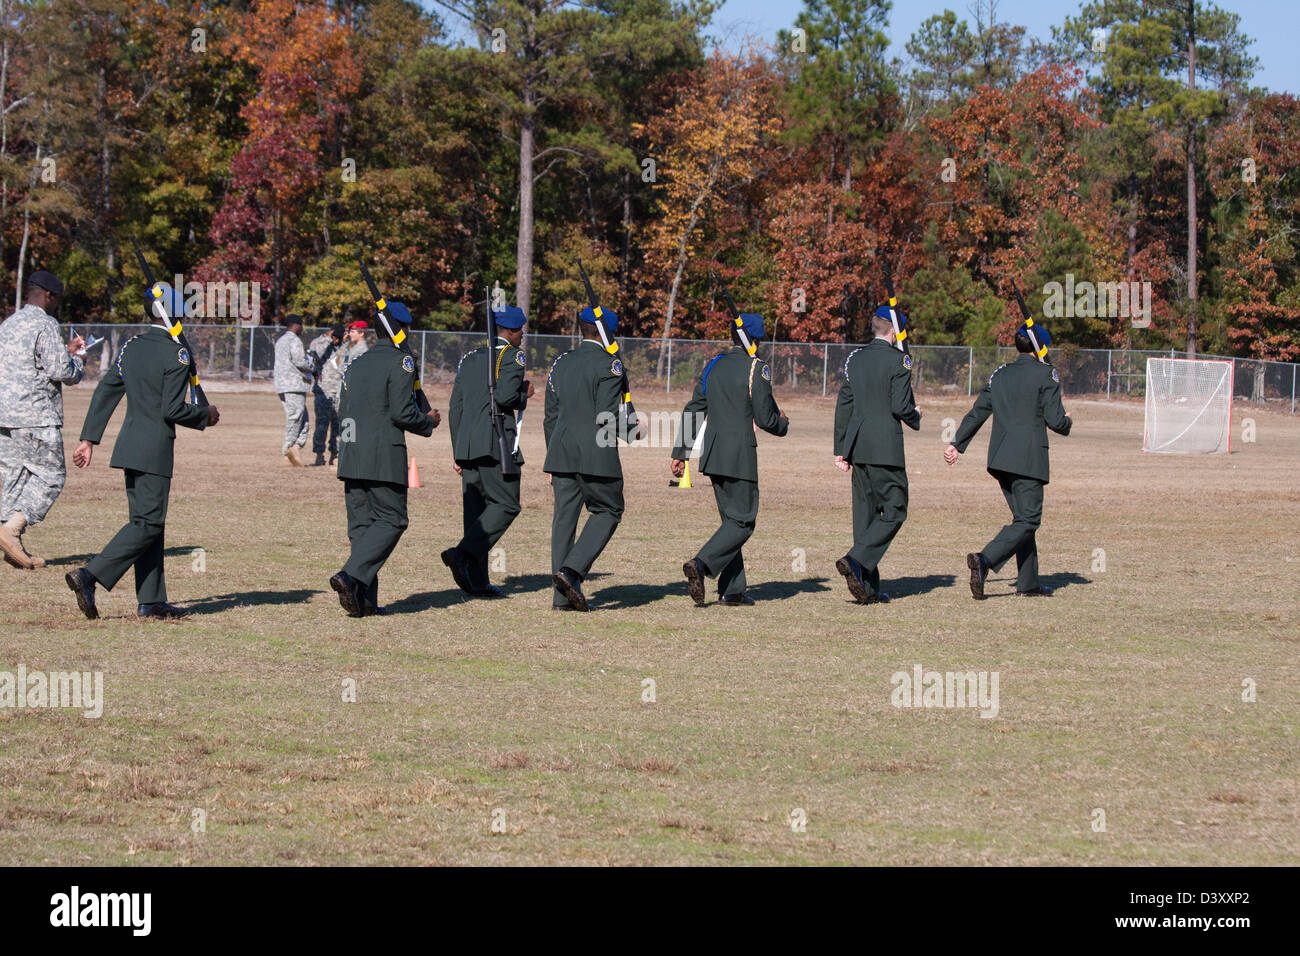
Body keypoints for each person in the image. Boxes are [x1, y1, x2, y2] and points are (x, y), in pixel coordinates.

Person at [65, 286, 219, 620]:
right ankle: (89, 576)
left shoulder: (132, 347)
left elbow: (107, 390)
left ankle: (151, 600)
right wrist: (204, 416)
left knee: (147, 523)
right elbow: (173, 409)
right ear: (175, 315)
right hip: (153, 449)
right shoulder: (176, 354)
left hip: (129, 447)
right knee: (149, 523)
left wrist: (89, 438)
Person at [945, 320, 1072, 599]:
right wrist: (1067, 422)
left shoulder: (999, 374)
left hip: (1000, 459)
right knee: (1028, 521)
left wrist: (958, 443)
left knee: (1021, 520)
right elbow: (1055, 420)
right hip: (1027, 459)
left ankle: (1028, 583)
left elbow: (978, 412)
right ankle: (984, 560)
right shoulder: (1046, 374)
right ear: (1042, 347)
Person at [670, 312, 788, 606]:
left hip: (712, 455)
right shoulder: (756, 369)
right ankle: (701, 564)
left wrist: (680, 452)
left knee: (730, 523)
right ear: (756, 340)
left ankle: (732, 589)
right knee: (743, 522)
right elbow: (765, 418)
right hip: (739, 457)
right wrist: (782, 423)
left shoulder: (713, 366)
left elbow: (693, 409)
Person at [330, 303, 439, 616]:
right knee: (392, 519)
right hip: (382, 456)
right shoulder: (402, 361)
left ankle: (362, 600)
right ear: (402, 329)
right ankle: (350, 576)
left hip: (352, 454)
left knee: (363, 528)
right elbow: (402, 413)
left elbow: (344, 409)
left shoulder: (357, 363)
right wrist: (428, 420)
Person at [543, 305, 631, 611]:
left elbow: (550, 416)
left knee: (563, 522)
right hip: (596, 454)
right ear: (608, 332)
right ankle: (570, 571)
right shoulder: (611, 365)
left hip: (561, 453)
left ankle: (561, 598)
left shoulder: (560, 363)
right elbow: (605, 416)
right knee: (609, 509)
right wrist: (634, 431)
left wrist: (552, 458)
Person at [832, 306, 922, 604]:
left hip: (858, 447)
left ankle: (867, 589)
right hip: (885, 447)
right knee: (895, 510)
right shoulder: (900, 360)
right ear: (894, 332)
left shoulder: (855, 358)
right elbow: (899, 406)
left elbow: (845, 402)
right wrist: (915, 415)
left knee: (866, 517)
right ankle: (856, 560)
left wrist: (841, 449)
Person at [442, 304, 532, 598]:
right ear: (511, 331)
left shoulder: (470, 358)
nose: (521, 337)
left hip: (468, 444)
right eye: (520, 331)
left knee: (476, 513)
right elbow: (506, 397)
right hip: (495, 443)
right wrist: (525, 393)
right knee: (507, 504)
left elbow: (456, 406)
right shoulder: (512, 356)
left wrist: (458, 449)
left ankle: (477, 581)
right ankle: (463, 554)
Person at [0, 270, 84, 569]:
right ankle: (11, 530)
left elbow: (35, 361)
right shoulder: (45, 323)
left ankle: (12, 549)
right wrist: (77, 361)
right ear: (49, 295)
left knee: (14, 478)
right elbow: (62, 371)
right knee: (51, 476)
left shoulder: (9, 324)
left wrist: (66, 350)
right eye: (57, 299)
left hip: (5, 415)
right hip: (35, 414)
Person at [274, 315, 313, 466]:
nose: (302, 328)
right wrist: (313, 368)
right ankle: (288, 450)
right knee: (296, 417)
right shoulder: (294, 340)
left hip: (282, 385)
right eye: (301, 325)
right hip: (294, 384)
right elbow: (299, 362)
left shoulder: (281, 340)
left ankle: (295, 448)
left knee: (303, 419)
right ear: (295, 325)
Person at [307, 324, 344, 466]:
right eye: (335, 338)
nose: (336, 341)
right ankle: (319, 454)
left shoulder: (342, 345)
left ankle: (335, 454)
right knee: (322, 424)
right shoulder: (319, 342)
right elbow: (317, 354)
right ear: (330, 334)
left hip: (338, 390)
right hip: (323, 390)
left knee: (337, 424)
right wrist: (329, 340)